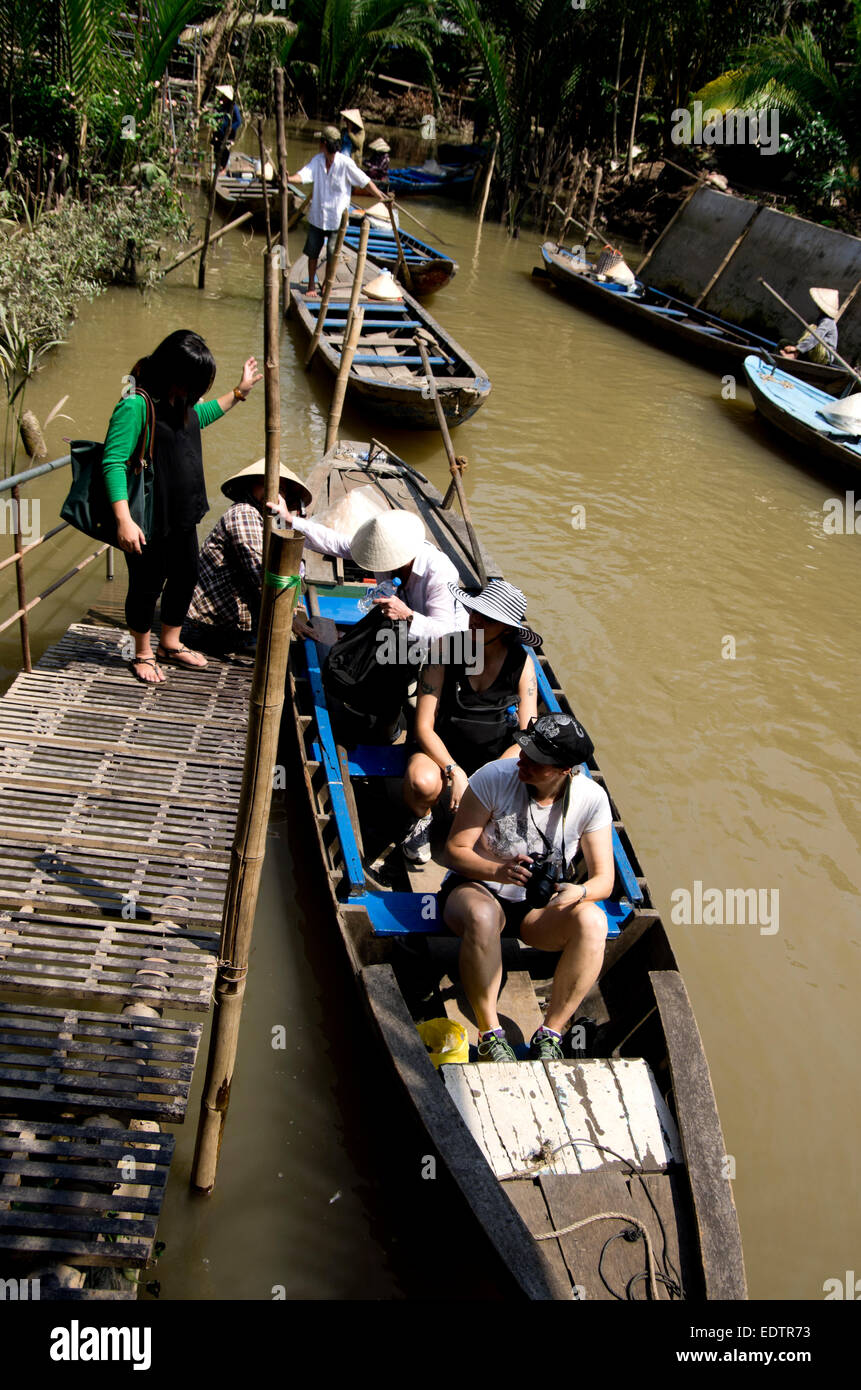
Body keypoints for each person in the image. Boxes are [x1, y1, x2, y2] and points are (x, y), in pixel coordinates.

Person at [440, 712, 614, 1063]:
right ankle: (490, 1034)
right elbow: (454, 853)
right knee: (484, 915)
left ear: (565, 770)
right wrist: (498, 871)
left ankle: (550, 1033)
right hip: (476, 886)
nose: (524, 761)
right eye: (524, 751)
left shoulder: (590, 799)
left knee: (594, 922)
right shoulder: (493, 777)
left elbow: (603, 880)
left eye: (538, 761)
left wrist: (577, 892)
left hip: (536, 908)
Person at [102, 330, 262, 683]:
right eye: (195, 383)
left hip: (183, 515)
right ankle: (142, 651)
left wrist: (238, 394)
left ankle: (169, 644)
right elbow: (113, 462)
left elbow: (200, 417)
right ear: (174, 375)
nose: (198, 392)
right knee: (146, 585)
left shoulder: (179, 403)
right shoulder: (136, 405)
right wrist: (123, 520)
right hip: (149, 519)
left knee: (185, 576)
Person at [401, 580, 540, 865]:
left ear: (506, 629)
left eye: (488, 619)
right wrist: (454, 770)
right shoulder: (446, 649)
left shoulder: (520, 664)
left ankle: (484, 823)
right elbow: (423, 726)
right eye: (475, 612)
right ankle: (422, 817)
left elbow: (528, 735)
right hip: (440, 749)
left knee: (529, 781)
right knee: (422, 783)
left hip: (494, 755)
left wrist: (490, 776)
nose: (475, 620)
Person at [279, 506, 468, 642]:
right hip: (401, 634)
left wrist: (408, 615)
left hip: (446, 648)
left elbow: (445, 634)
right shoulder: (378, 551)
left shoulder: (439, 571)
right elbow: (336, 543)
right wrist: (290, 520)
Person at [185, 459, 312, 655]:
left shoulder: (271, 520)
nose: (275, 494)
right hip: (209, 624)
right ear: (251, 485)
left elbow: (289, 567)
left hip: (235, 622)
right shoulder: (244, 513)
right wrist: (290, 620)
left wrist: (285, 524)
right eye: (267, 485)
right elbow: (262, 576)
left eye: (282, 490)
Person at [286, 126, 390, 296]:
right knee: (312, 253)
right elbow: (303, 176)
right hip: (317, 217)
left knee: (332, 254)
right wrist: (288, 179)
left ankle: (327, 285)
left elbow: (365, 181)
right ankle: (311, 285)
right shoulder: (318, 161)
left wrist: (380, 196)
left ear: (324, 144)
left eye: (321, 142)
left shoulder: (345, 163)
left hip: (337, 220)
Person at [779, 286, 839, 364]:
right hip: (816, 350)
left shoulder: (828, 321)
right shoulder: (821, 318)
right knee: (783, 342)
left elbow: (816, 337)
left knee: (812, 329)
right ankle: (794, 353)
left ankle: (795, 354)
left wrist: (797, 348)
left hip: (825, 356)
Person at [212, 84, 242, 171]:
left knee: (225, 149)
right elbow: (217, 116)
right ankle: (218, 165)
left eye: (223, 96)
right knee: (216, 146)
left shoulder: (234, 107)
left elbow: (239, 121)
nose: (222, 97)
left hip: (228, 133)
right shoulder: (222, 106)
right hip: (220, 131)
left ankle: (223, 167)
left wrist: (231, 128)